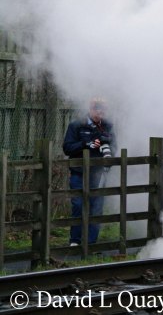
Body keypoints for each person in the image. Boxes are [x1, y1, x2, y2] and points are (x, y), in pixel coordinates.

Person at [62, 98, 115, 246]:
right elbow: (67, 148)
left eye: (103, 112)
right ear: (91, 110)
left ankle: (91, 243)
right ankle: (75, 241)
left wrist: (109, 154)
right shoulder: (76, 126)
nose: (101, 115)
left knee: (96, 208)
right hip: (79, 173)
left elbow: (114, 146)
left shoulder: (108, 127)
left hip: (98, 175)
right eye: (98, 112)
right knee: (78, 205)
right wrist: (86, 144)